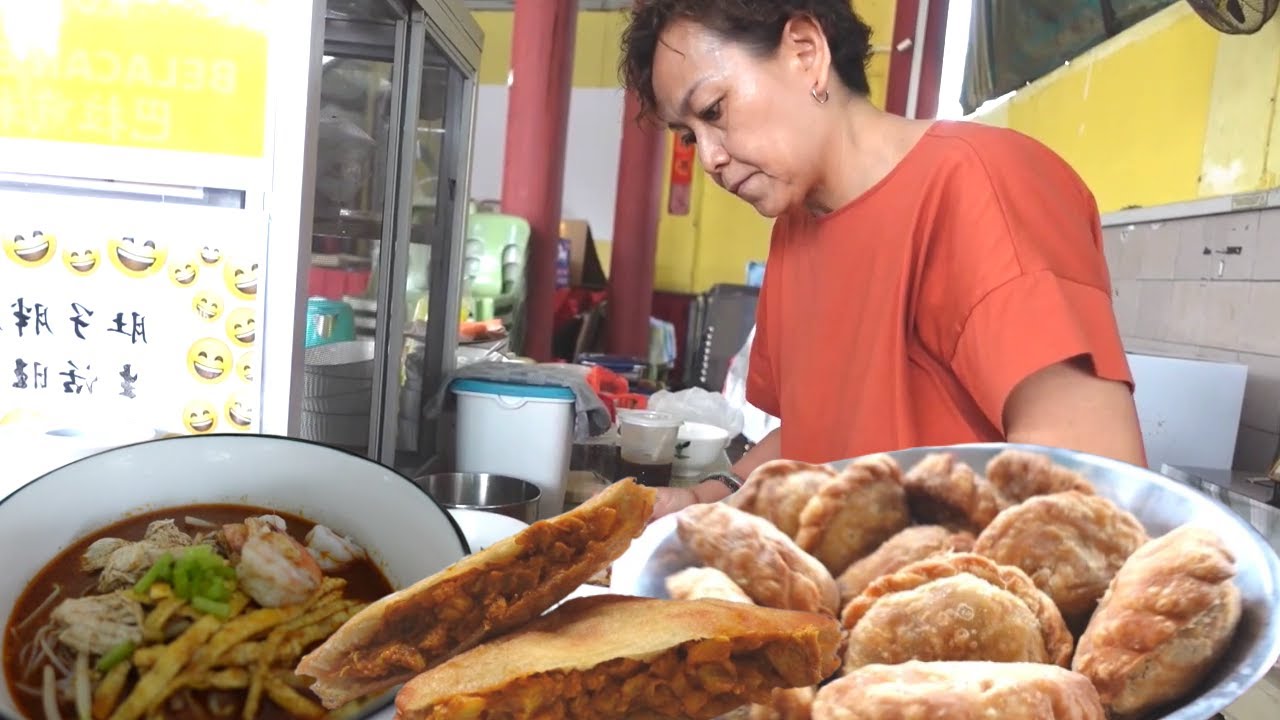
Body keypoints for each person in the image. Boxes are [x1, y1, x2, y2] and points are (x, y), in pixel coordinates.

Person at [619, 0, 1147, 519]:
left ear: (806, 52)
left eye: (714, 110)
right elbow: (812, 443)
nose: (709, 157)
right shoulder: (796, 231)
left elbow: (1090, 500)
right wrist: (701, 500)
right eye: (690, 135)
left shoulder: (982, 185)